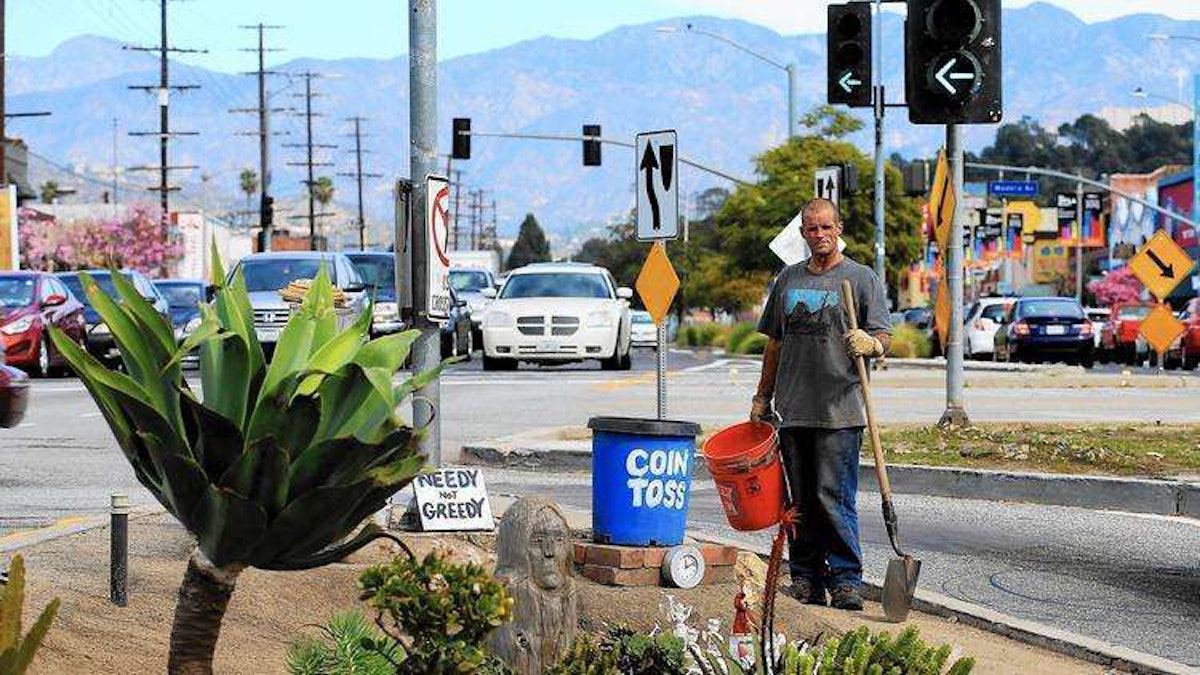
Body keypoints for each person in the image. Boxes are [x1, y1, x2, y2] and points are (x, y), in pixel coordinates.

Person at [751, 197, 891, 611]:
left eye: (827, 227)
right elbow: (774, 344)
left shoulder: (861, 278)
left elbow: (884, 337)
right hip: (793, 409)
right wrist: (762, 397)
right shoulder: (788, 281)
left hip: (840, 410)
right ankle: (806, 578)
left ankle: (847, 579)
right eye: (812, 229)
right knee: (799, 502)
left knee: (833, 497)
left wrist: (871, 344)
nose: (820, 235)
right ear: (803, 234)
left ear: (839, 229)